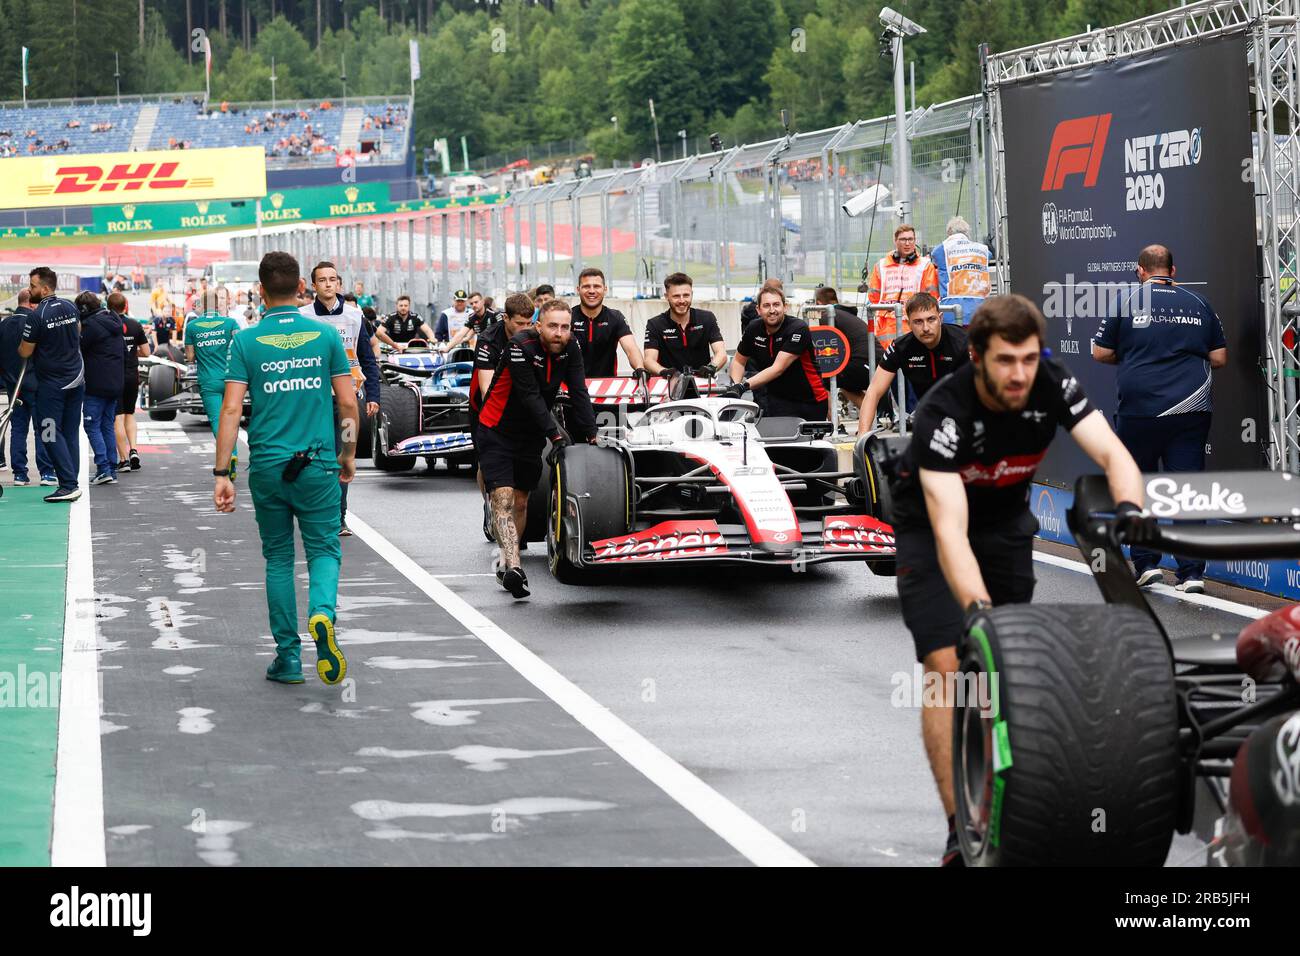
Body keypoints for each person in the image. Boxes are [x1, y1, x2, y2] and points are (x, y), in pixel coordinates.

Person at [890, 294, 1143, 865]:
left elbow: (1114, 453)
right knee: (949, 668)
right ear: (976, 357)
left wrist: (1131, 511)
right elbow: (950, 530)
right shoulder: (942, 414)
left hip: (1004, 525)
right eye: (1006, 361)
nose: (1019, 374)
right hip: (933, 532)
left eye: (1029, 359)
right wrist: (976, 611)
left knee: (1006, 668)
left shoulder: (1049, 380)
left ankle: (1011, 794)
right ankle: (961, 831)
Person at [213, 251, 356, 686]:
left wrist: (223, 473)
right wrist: (347, 454)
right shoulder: (325, 335)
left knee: (277, 558)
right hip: (317, 465)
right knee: (324, 549)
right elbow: (348, 402)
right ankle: (321, 614)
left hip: (269, 467)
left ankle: (288, 659)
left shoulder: (245, 341)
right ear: (301, 289)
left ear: (260, 290)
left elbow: (232, 409)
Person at [1092, 243, 1227, 594]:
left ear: (1140, 271)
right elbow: (1220, 356)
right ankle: (1192, 572)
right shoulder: (1199, 303)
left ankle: (1148, 564)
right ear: (1173, 270)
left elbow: (1100, 351)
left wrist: (1135, 355)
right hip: (1191, 409)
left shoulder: (1126, 300)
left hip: (1139, 410)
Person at [477, 299, 598, 599]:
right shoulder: (520, 345)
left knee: (520, 502)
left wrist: (591, 434)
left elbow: (579, 391)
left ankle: (508, 560)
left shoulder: (572, 348)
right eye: (553, 326)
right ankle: (514, 567)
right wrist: (555, 437)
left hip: (530, 434)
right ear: (538, 325)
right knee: (502, 498)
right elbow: (530, 396)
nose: (559, 333)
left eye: (565, 327)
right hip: (497, 430)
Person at [303, 261, 382, 537]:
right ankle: (314, 512)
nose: (327, 284)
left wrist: (373, 394)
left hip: (347, 400)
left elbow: (368, 359)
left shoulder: (354, 316)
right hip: (311, 399)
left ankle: (339, 517)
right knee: (313, 457)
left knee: (343, 456)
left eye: (332, 279)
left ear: (339, 284)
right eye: (322, 280)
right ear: (314, 285)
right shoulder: (302, 317)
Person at [856, 292, 970, 435]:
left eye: (931, 319)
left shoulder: (963, 341)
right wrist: (861, 437)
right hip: (932, 414)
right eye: (918, 322)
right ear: (909, 323)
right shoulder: (901, 347)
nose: (926, 328)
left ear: (940, 319)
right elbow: (873, 391)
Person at [472, 292, 535, 539]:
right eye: (519, 323)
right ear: (505, 318)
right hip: (487, 407)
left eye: (529, 323)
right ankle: (489, 501)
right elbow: (488, 390)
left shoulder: (534, 336)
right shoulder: (488, 339)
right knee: (485, 462)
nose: (524, 328)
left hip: (522, 405)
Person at [19, 268, 84, 502]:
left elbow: (25, 350)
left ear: (45, 288)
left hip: (52, 385)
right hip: (76, 380)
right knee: (68, 433)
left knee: (48, 432)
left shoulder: (37, 315)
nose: (30, 289)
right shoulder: (70, 306)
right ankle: (72, 480)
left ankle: (68, 484)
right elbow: (77, 332)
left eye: (33, 286)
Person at [725, 285, 829, 420]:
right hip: (777, 400)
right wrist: (735, 387)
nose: (772, 310)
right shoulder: (753, 329)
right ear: (758, 310)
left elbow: (777, 368)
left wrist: (743, 386)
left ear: (785, 307)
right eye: (766, 305)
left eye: (776, 305)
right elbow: (739, 360)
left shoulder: (798, 328)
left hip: (809, 402)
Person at [184, 288, 242, 477]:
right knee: (232, 420)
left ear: (200, 306)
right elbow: (240, 348)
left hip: (208, 380)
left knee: (218, 421)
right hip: (231, 378)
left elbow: (190, 357)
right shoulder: (231, 323)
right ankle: (232, 455)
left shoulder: (192, 326)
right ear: (218, 305)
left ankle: (230, 456)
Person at [1, 289, 55, 485]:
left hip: (13, 385)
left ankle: (19, 473)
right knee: (43, 428)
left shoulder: (4, 324)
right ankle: (47, 471)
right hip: (36, 383)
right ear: (32, 304)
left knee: (18, 428)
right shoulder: (36, 322)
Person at [76, 292, 125, 486]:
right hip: (115, 382)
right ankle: (111, 468)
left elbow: (78, 348)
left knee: (91, 425)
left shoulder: (90, 327)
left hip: (96, 384)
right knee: (107, 425)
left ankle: (103, 467)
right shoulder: (113, 320)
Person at [643, 272, 727, 378]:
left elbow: (721, 353)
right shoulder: (654, 324)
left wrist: (712, 367)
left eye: (686, 295)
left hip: (703, 383)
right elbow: (649, 360)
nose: (682, 300)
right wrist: (664, 371)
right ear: (666, 296)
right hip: (669, 384)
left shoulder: (707, 318)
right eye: (676, 296)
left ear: (692, 294)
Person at [866, 223, 939, 344]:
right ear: (895, 241)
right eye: (903, 239)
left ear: (915, 240)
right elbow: (873, 297)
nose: (907, 243)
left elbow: (932, 298)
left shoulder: (925, 265)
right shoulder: (881, 266)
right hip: (886, 327)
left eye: (910, 239)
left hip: (914, 324)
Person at [571, 267, 646, 383]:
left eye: (596, 286)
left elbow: (631, 349)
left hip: (607, 387)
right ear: (578, 289)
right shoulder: (568, 317)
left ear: (605, 289)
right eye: (586, 286)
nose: (591, 291)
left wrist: (640, 368)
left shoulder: (615, 317)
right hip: (572, 387)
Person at [812, 286, 877, 412]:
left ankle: (836, 425)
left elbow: (829, 355)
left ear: (819, 303)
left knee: (822, 380)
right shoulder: (846, 315)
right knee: (845, 383)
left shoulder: (828, 317)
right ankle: (871, 416)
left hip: (864, 362)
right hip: (875, 362)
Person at [112, 292, 149, 472]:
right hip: (132, 375)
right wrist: (133, 351)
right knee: (130, 414)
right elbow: (147, 352)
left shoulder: (107, 325)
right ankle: (134, 449)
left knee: (117, 417)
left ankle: (123, 459)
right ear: (125, 306)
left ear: (108, 307)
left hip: (114, 375)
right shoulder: (135, 325)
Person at [930, 217, 991, 325]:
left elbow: (934, 258)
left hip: (952, 312)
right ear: (967, 233)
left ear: (949, 233)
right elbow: (989, 256)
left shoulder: (942, 249)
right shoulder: (983, 250)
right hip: (980, 310)